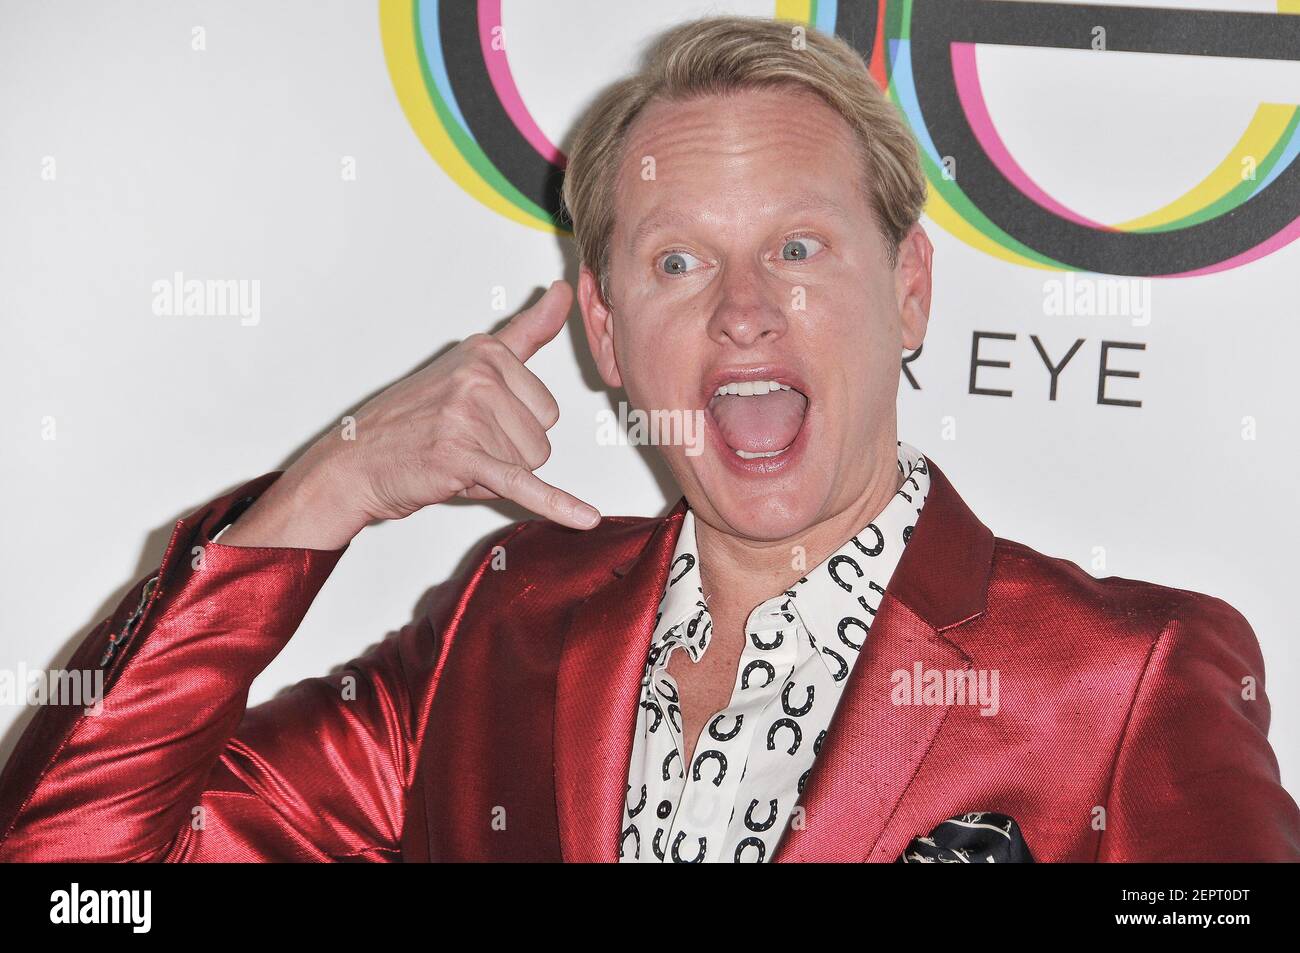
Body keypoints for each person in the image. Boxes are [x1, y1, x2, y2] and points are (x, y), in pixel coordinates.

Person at [1, 15, 1296, 863]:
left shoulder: (1130, 675)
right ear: (610, 337)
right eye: (679, 262)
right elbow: (70, 871)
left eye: (797, 247)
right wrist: (327, 487)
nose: (742, 310)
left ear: (909, 286)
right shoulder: (499, 628)